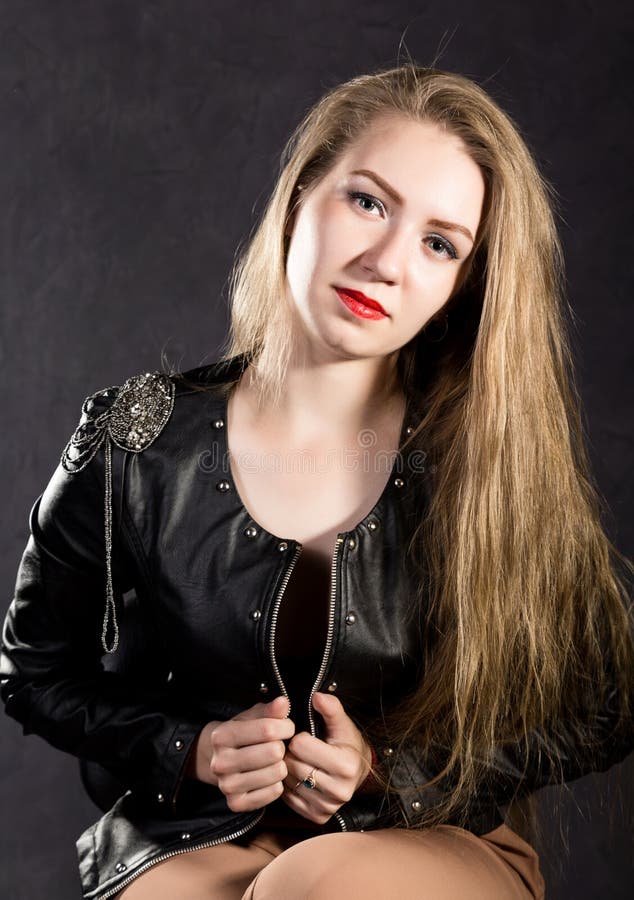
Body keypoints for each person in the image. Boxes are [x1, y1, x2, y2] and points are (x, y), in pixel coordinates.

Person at [1, 62, 632, 900]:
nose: (385, 262)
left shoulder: (490, 460)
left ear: (458, 288)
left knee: (318, 885)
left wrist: (391, 771)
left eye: (439, 244)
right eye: (368, 202)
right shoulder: (133, 436)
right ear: (302, 194)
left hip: (426, 835)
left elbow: (607, 704)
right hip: (188, 828)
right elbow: (33, 671)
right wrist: (186, 748)